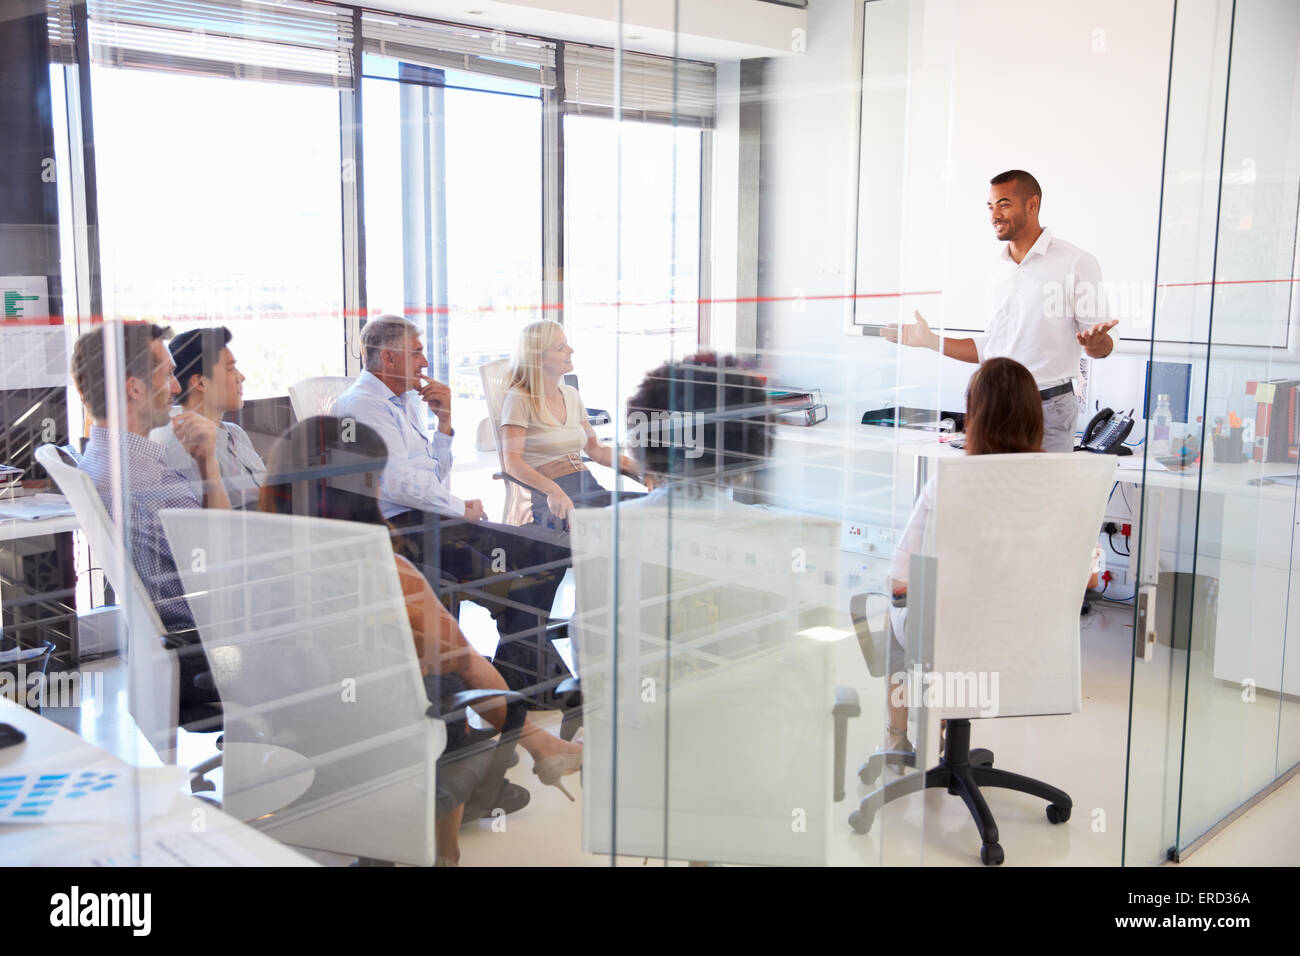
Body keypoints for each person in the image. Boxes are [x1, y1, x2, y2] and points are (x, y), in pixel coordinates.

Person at [258, 416, 582, 865]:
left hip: (287, 744)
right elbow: (464, 663)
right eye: (375, 478)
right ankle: (532, 756)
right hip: (381, 750)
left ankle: (529, 754)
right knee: (458, 669)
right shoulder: (379, 571)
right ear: (358, 488)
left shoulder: (255, 561)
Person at [333, 315, 571, 696]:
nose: (425, 363)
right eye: (417, 353)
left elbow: (432, 478)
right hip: (403, 533)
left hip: (433, 519)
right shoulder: (363, 407)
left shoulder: (404, 401)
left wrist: (443, 425)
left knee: (550, 550)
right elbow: (398, 485)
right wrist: (461, 508)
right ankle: (533, 681)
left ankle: (521, 671)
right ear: (389, 359)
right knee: (518, 589)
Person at [881, 357, 1100, 771]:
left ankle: (897, 738)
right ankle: (946, 730)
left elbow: (899, 580)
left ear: (973, 414)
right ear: (1036, 416)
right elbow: (1089, 577)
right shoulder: (1067, 485)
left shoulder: (949, 481)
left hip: (955, 638)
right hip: (1028, 641)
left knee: (897, 607)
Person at [881, 169, 1119, 453]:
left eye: (1004, 204)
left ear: (1033, 205)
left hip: (1048, 409)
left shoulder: (1075, 262)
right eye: (991, 207)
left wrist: (1094, 345)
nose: (994, 215)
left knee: (1042, 497)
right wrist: (930, 341)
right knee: (995, 494)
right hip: (995, 407)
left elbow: (1102, 342)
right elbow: (992, 349)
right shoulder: (998, 272)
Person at [70, 321, 229, 715]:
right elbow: (229, 562)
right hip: (204, 649)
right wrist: (211, 465)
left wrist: (205, 462)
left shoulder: (99, 458)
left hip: (166, 647)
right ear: (136, 388)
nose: (176, 389)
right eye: (169, 374)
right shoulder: (145, 484)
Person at [500, 320, 644, 531]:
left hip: (589, 489)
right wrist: (553, 491)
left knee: (658, 511)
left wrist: (645, 469)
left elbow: (598, 451)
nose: (571, 350)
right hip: (556, 500)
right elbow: (512, 462)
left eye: (566, 344)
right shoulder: (520, 398)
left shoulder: (571, 395)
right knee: (639, 524)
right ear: (538, 358)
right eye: (561, 347)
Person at [149, 326, 266, 509]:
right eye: (230, 369)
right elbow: (212, 527)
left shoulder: (236, 433)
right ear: (201, 382)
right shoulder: (188, 452)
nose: (241, 377)